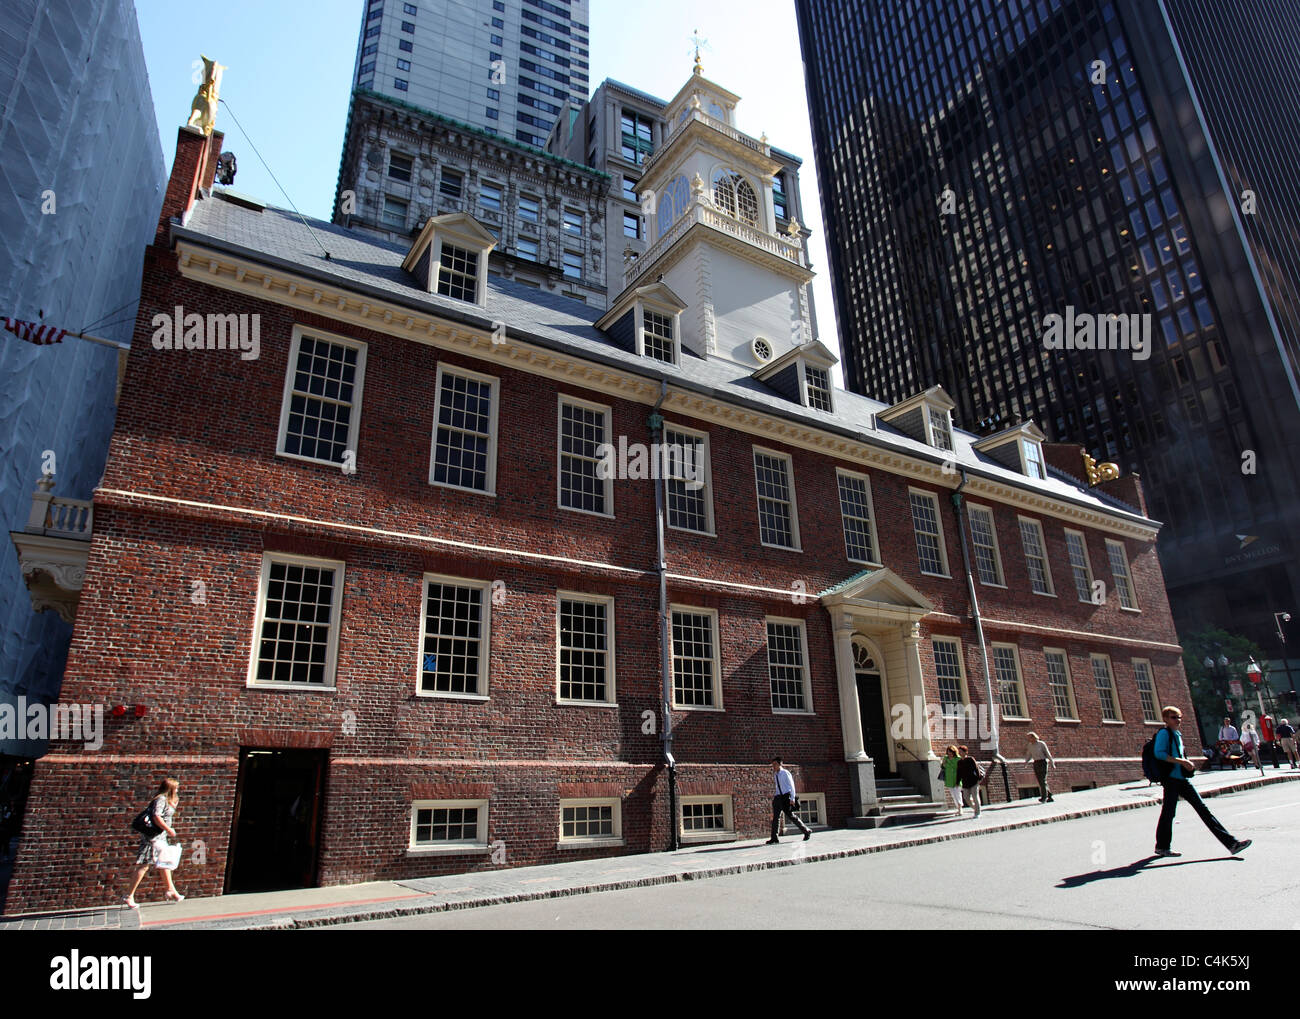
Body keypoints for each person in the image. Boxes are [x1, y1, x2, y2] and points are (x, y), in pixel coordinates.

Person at [1153, 706, 1251, 858]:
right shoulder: (1164, 734)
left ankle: (1232, 844)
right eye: (1173, 717)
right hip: (1171, 779)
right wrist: (1182, 762)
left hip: (1182, 779)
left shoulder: (1177, 734)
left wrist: (1185, 763)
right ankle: (1162, 846)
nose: (1177, 720)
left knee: (1202, 810)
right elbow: (1159, 753)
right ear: (1165, 719)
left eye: (1179, 717)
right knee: (1168, 813)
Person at [123, 778, 185, 907]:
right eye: (176, 787)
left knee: (164, 862)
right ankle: (129, 896)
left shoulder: (168, 800)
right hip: (152, 838)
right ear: (170, 788)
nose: (178, 790)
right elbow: (157, 816)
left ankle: (171, 890)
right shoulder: (161, 799)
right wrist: (168, 829)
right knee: (144, 865)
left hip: (160, 837)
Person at [766, 757, 811, 844]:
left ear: (780, 764)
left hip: (786, 796)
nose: (773, 766)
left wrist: (792, 798)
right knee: (776, 817)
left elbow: (792, 785)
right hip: (778, 797)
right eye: (772, 765)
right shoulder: (776, 774)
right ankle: (774, 838)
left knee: (791, 816)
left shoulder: (785, 773)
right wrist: (776, 796)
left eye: (775, 764)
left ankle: (806, 830)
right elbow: (778, 787)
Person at [1025, 732, 1054, 802]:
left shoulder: (1041, 744)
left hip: (1043, 762)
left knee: (1043, 780)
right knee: (1040, 781)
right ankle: (1049, 795)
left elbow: (1047, 753)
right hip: (1036, 763)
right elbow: (1029, 754)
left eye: (1029, 737)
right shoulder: (1030, 745)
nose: (1028, 739)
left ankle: (1044, 797)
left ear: (1033, 737)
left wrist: (1052, 763)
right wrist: (1026, 762)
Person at [956, 745, 984, 818]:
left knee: (975, 796)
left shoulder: (970, 759)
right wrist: (957, 782)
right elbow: (959, 773)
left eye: (961, 752)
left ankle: (977, 813)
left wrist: (978, 779)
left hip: (973, 781)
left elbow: (976, 769)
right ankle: (976, 808)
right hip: (965, 783)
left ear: (966, 752)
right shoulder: (959, 762)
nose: (960, 753)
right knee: (966, 797)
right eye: (959, 752)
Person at [940, 745, 963, 814]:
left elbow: (961, 769)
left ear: (954, 752)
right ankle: (958, 808)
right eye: (948, 752)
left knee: (957, 793)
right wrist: (943, 763)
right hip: (949, 778)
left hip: (957, 778)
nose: (949, 754)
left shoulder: (958, 758)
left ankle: (960, 808)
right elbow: (943, 767)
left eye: (951, 752)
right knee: (953, 795)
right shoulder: (946, 758)